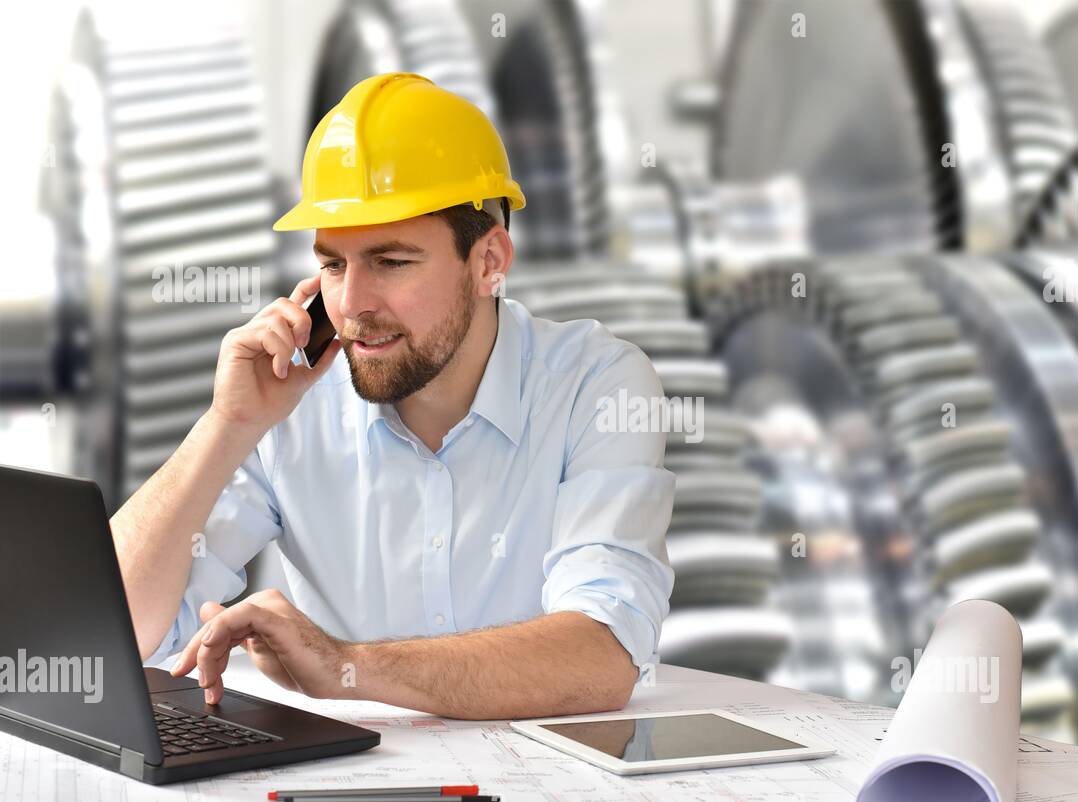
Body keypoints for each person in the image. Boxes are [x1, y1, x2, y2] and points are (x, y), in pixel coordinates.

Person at [110, 72, 675, 720]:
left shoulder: (597, 387)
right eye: (333, 264)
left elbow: (601, 654)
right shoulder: (288, 405)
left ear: (489, 261)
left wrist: (343, 664)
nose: (351, 306)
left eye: (391, 261)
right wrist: (227, 424)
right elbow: (114, 633)